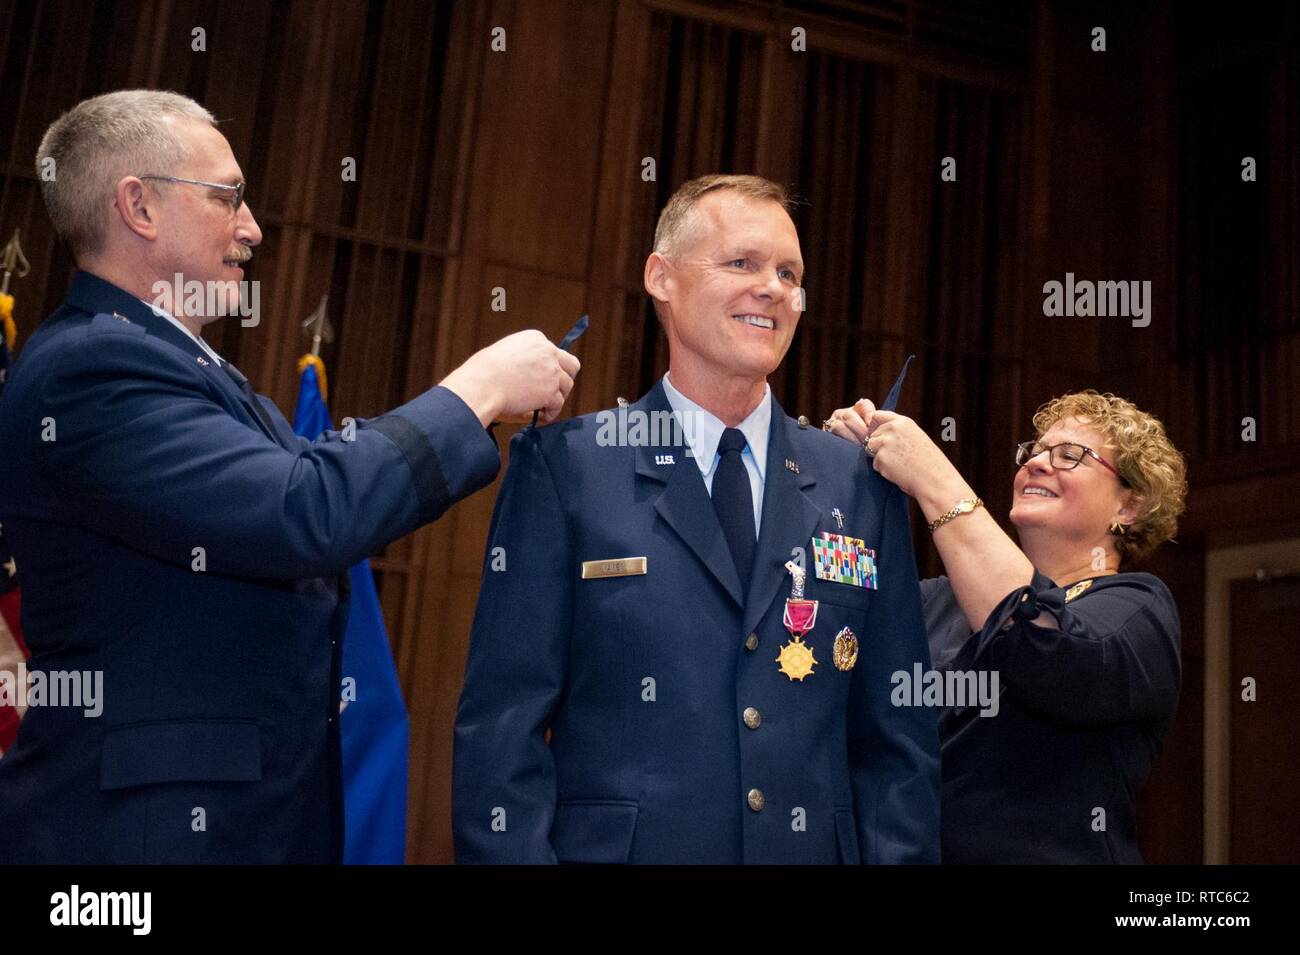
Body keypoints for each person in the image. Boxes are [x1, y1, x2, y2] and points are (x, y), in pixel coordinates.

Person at [0, 90, 579, 863]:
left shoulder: (186, 367)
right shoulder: (92, 367)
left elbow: (310, 470)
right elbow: (304, 509)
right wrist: (477, 389)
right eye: (228, 197)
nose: (253, 228)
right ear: (137, 206)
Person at [452, 174, 940, 864]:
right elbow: (504, 729)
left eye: (789, 272)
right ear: (662, 277)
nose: (772, 287)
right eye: (742, 263)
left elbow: (898, 746)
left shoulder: (859, 484)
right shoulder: (567, 467)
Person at [822, 389, 1186, 862]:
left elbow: (1039, 647)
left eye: (1071, 456)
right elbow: (832, 635)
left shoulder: (1137, 609)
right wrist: (839, 477)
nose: (1036, 463)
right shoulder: (935, 599)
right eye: (1033, 452)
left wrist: (935, 477)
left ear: (1128, 507)